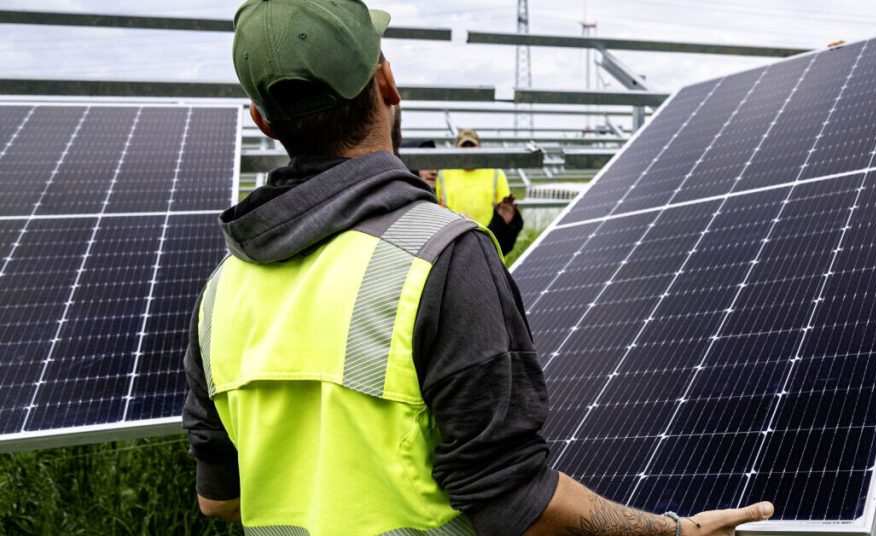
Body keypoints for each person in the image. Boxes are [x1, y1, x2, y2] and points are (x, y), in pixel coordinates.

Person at [182, 1, 774, 534]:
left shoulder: (220, 295)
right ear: (386, 81)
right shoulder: (440, 258)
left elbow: (221, 499)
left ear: (261, 119)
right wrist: (674, 533)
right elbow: (512, 499)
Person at [437, 129, 523, 255]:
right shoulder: (444, 174)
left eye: (471, 146)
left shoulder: (495, 173)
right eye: (464, 146)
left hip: (487, 238)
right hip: (454, 240)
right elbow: (439, 208)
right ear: (456, 149)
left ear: (479, 148)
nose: (468, 151)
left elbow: (505, 215)